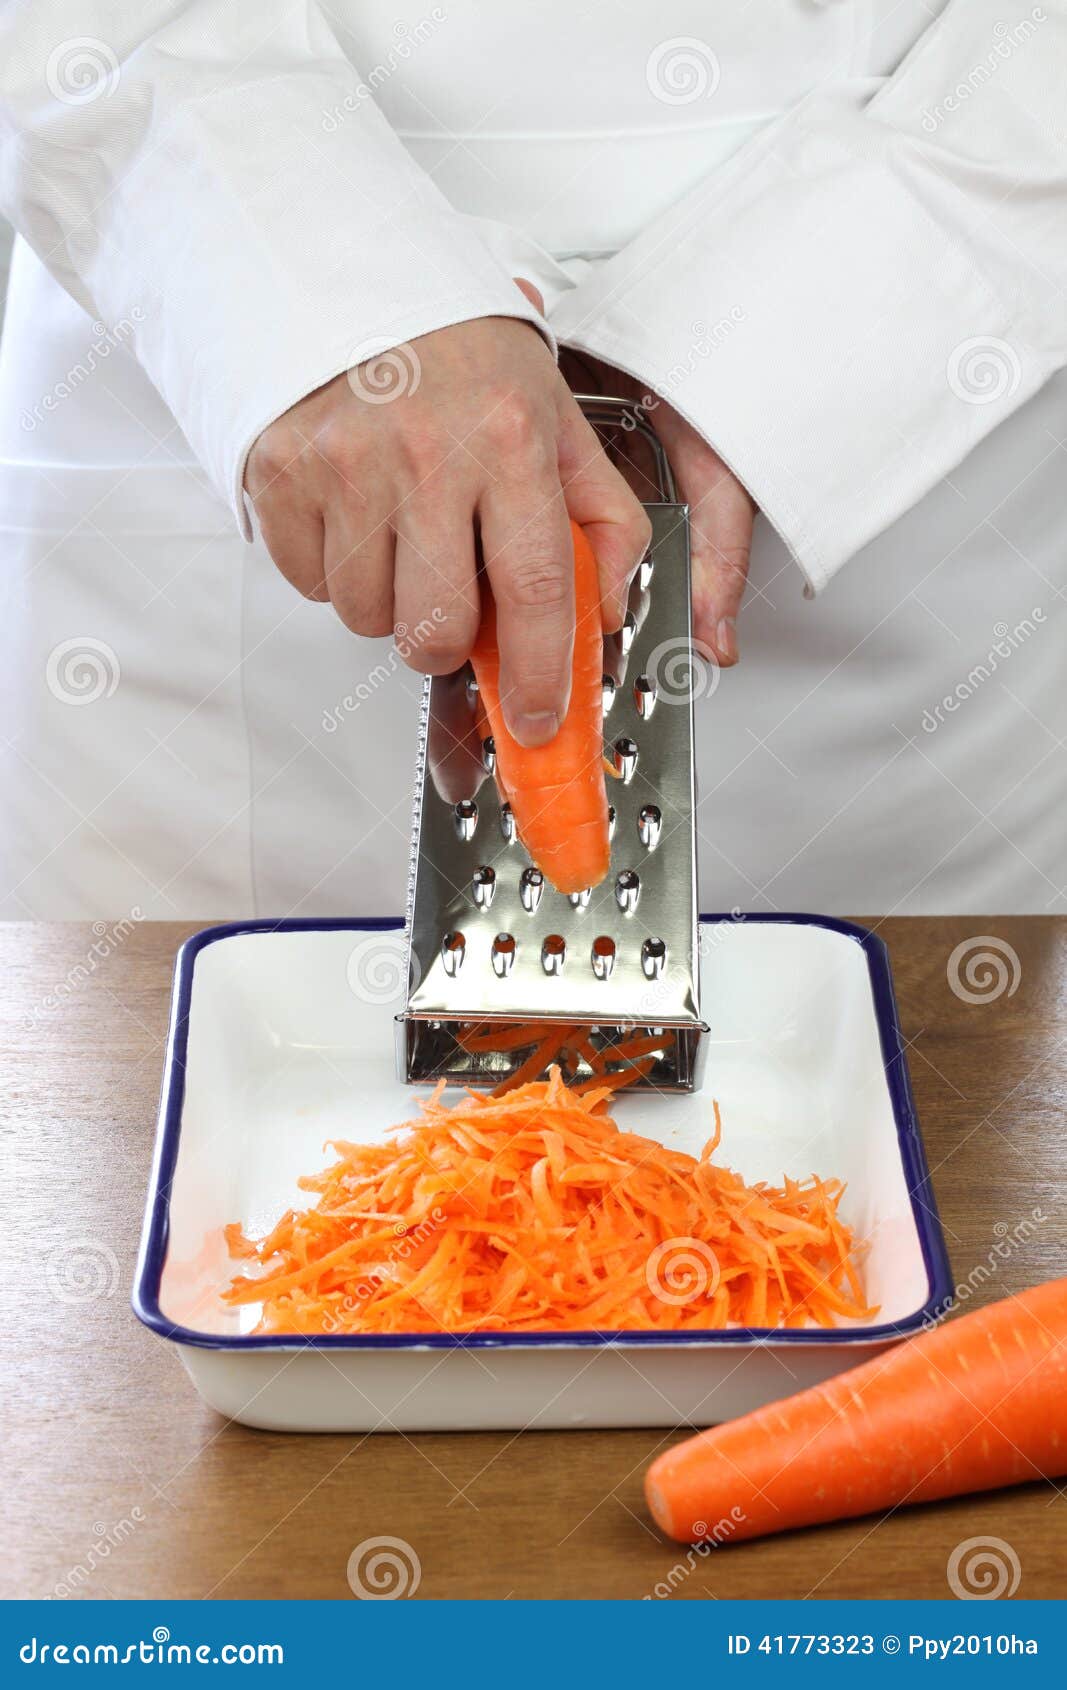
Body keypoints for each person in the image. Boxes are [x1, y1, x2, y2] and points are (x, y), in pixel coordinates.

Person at [1, 0, 1064, 921]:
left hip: (922, 454)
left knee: (915, 1111)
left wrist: (784, 328)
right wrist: (327, 293)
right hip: (208, 362)